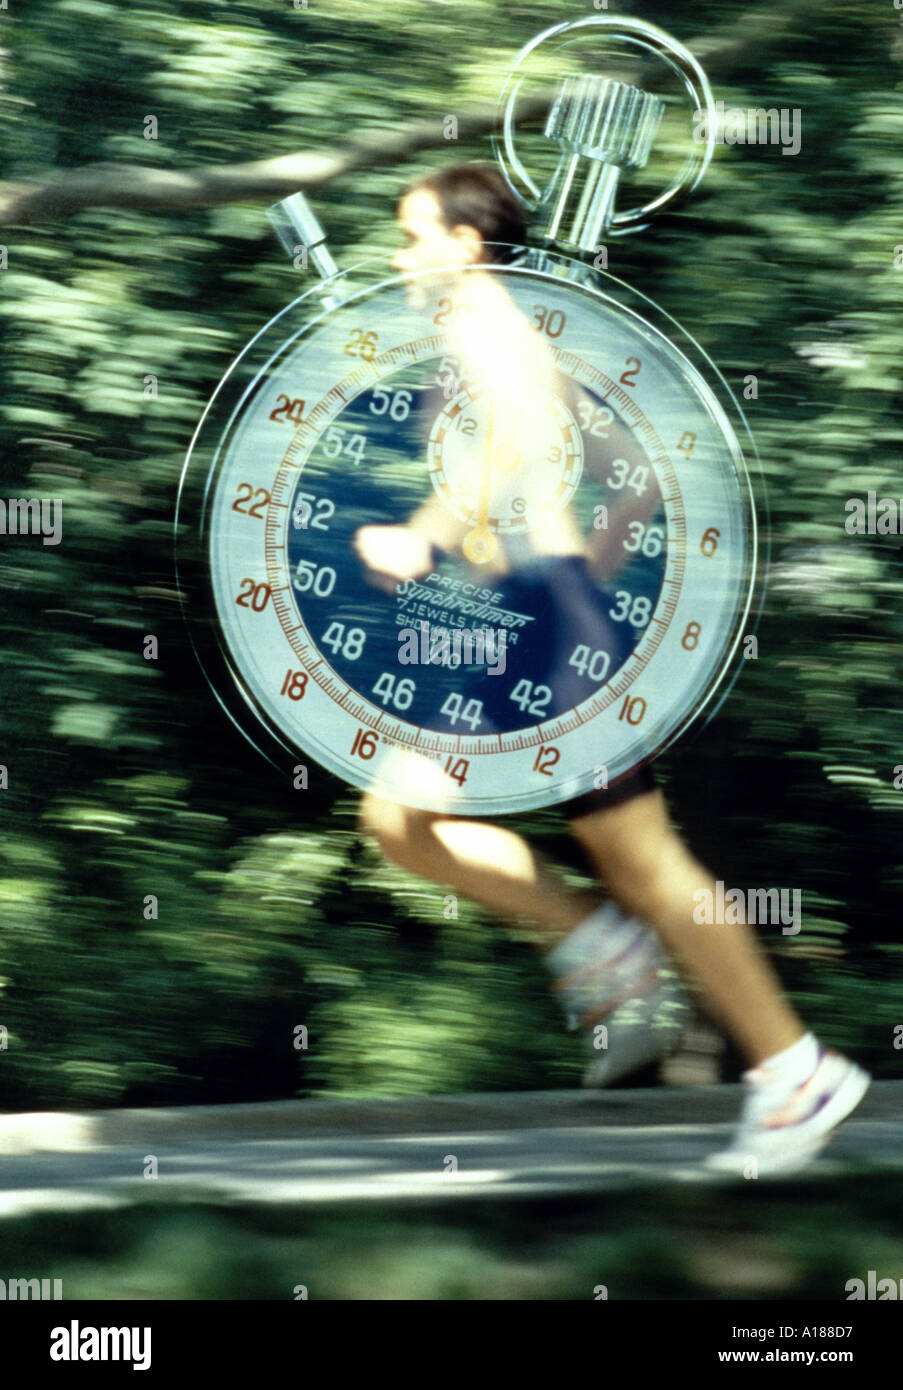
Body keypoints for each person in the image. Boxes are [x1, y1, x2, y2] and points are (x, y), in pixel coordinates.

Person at [353, 160, 870, 1175]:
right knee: (398, 818)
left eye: (412, 234)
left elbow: (506, 441)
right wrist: (600, 546)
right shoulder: (503, 330)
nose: (399, 254)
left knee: (646, 861)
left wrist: (427, 532)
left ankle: (793, 1070)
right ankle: (601, 943)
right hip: (525, 615)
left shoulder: (483, 323)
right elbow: (619, 459)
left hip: (550, 621)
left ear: (465, 243)